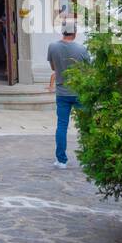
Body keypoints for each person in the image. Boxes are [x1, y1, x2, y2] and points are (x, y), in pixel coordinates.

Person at [47, 19, 92, 167]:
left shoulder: (52, 47)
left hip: (61, 92)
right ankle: (88, 159)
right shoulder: (82, 49)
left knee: (61, 126)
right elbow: (88, 70)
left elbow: (53, 67)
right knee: (85, 125)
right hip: (79, 91)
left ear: (62, 31)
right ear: (75, 32)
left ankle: (61, 160)